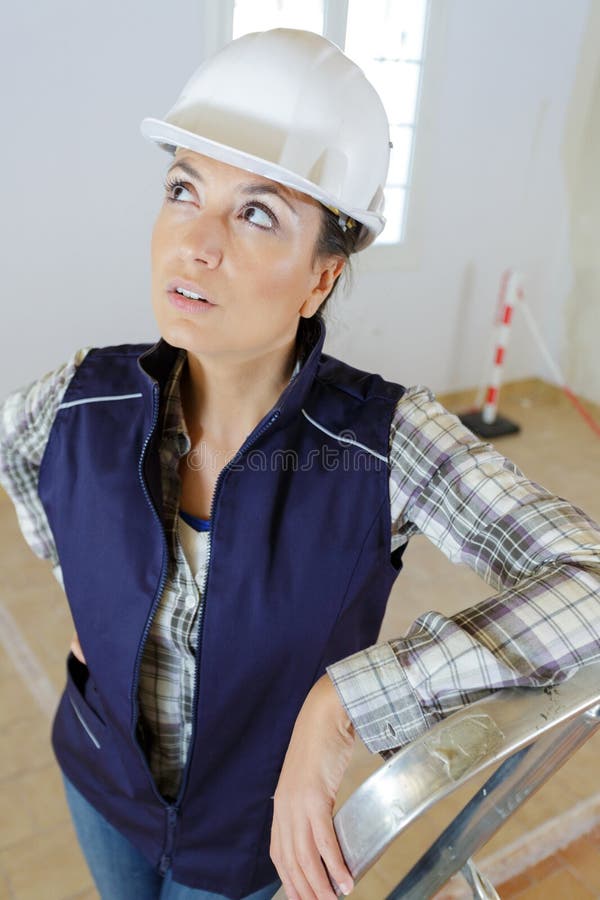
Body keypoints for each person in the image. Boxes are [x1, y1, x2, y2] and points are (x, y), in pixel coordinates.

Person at [0, 26, 598, 900]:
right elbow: (22, 464)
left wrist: (349, 700)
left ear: (321, 278)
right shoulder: (72, 400)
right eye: (182, 189)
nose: (195, 244)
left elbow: (587, 579)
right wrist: (78, 583)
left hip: (253, 840)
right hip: (102, 786)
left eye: (257, 212)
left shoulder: (380, 445)